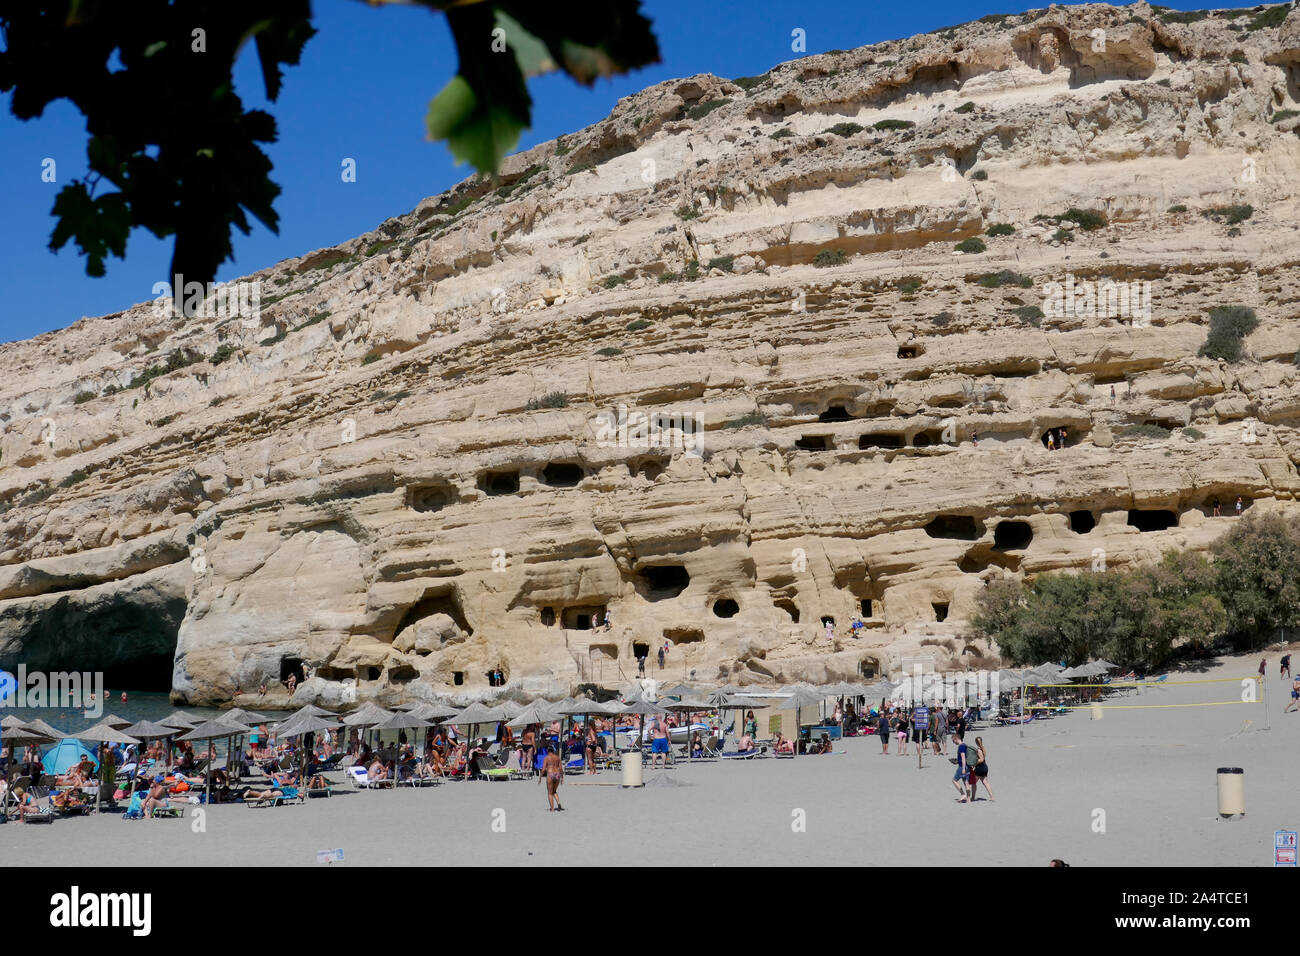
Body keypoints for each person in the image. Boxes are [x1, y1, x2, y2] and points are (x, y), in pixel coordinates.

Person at [972, 737, 994, 801]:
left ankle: (973, 797)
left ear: (976, 742)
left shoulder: (979, 750)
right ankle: (992, 797)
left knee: (973, 783)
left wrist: (974, 763)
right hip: (984, 767)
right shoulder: (983, 749)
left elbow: (981, 759)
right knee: (985, 782)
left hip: (980, 768)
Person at [542, 747, 563, 811]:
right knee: (554, 791)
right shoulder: (557, 757)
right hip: (557, 774)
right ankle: (558, 802)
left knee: (550, 793)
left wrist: (540, 777)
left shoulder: (546, 758)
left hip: (550, 774)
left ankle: (553, 809)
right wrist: (562, 778)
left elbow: (543, 769)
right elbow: (561, 768)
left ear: (548, 751)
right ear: (553, 751)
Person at [952, 734, 970, 802]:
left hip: (962, 766)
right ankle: (968, 799)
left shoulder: (961, 747)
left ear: (956, 739)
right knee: (966, 782)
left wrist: (963, 768)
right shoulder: (965, 745)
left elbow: (963, 757)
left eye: (953, 741)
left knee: (954, 780)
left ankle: (963, 794)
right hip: (967, 766)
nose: (954, 743)